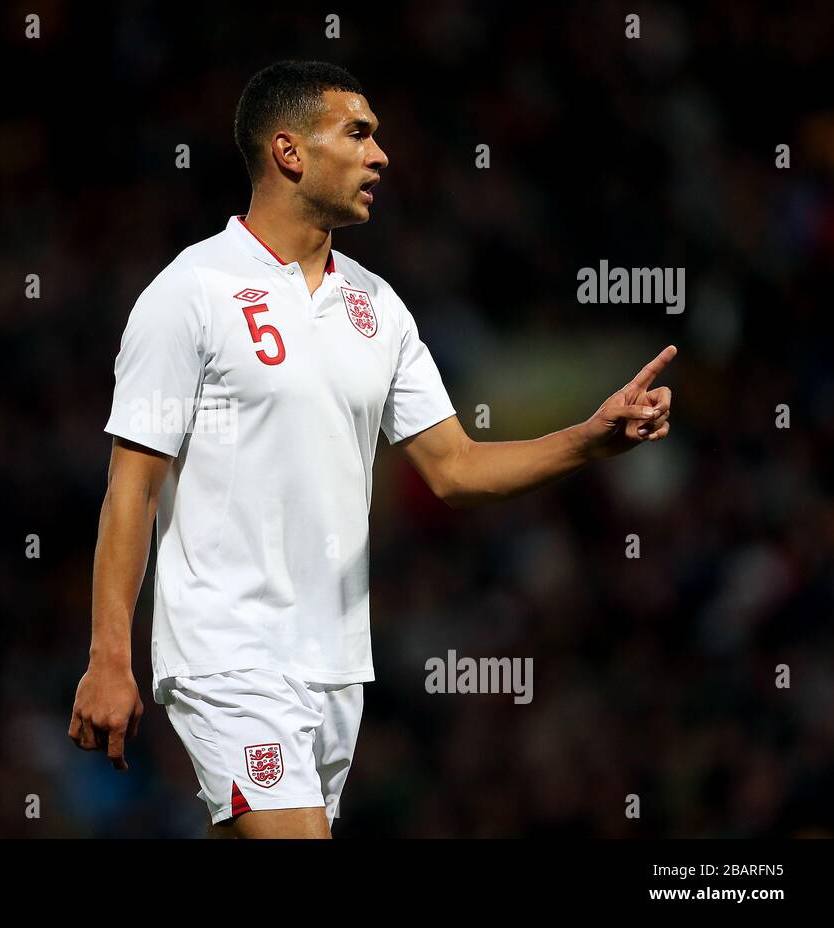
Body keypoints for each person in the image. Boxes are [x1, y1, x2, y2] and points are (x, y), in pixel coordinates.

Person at [69, 60, 675, 838]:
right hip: (230, 654)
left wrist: (587, 441)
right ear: (290, 152)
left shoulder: (378, 306)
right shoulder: (191, 293)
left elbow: (455, 469)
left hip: (335, 662)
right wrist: (110, 655)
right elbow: (132, 487)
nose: (380, 155)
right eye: (358, 133)